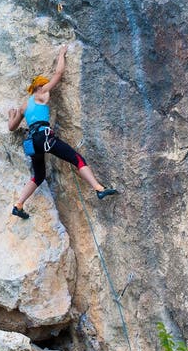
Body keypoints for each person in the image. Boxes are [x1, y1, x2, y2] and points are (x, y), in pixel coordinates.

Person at [8, 44, 118, 219]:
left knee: (39, 175)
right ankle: (99, 188)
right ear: (39, 87)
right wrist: (61, 54)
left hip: (32, 142)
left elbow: (11, 127)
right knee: (78, 159)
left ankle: (18, 204)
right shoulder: (41, 93)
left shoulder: (24, 105)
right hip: (44, 137)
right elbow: (58, 74)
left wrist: (11, 116)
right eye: (44, 85)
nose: (48, 89)